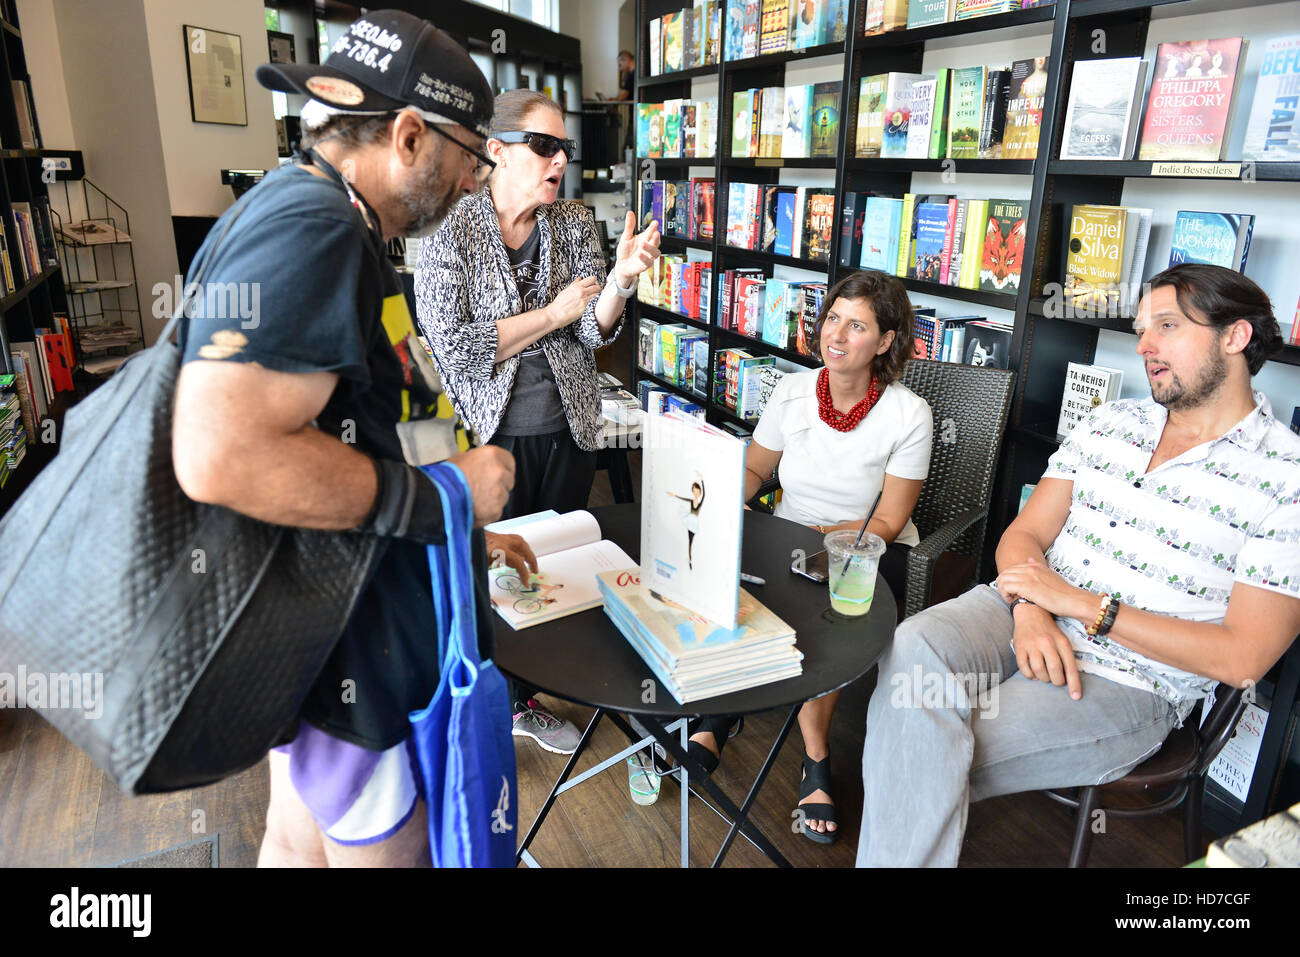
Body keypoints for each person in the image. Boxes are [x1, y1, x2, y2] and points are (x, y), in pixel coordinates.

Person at [172, 10, 526, 868]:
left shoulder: (309, 209)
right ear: (410, 135)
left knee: (295, 842)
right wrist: (448, 495)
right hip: (356, 650)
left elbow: (356, 427)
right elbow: (219, 450)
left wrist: (458, 527)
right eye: (473, 157)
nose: (477, 184)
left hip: (318, 634)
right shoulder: (320, 227)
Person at [858, 263, 1300, 866]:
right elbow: (1027, 533)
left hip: (1129, 678)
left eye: (1167, 326)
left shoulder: (1286, 478)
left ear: (1236, 336)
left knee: (919, 743)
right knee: (913, 647)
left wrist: (1082, 606)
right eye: (1143, 328)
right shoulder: (1110, 422)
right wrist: (1033, 610)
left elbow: (1243, 656)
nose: (1144, 345)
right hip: (1014, 612)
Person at [417, 88, 660, 755]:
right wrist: (549, 315)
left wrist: (619, 281)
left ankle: (539, 688)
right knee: (487, 575)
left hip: (569, 428)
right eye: (543, 146)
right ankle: (494, 701)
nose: (559, 162)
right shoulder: (450, 228)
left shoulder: (574, 221)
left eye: (565, 149)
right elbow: (458, 348)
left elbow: (591, 330)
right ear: (496, 150)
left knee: (548, 575)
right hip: (486, 439)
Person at [687, 270, 933, 843]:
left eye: (857, 325)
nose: (837, 335)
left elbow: (889, 520)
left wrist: (813, 534)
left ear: (886, 340)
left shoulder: (908, 414)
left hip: (867, 549)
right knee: (724, 574)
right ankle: (722, 710)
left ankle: (816, 753)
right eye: (832, 319)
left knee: (824, 618)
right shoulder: (792, 392)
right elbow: (755, 468)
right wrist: (720, 508)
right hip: (787, 534)